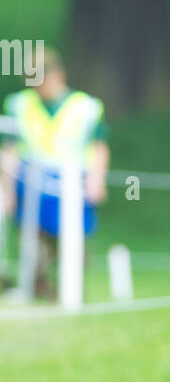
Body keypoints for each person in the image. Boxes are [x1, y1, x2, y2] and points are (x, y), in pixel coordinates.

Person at [1, 48, 109, 299]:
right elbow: (9, 150)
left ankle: (70, 287)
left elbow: (98, 145)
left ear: (58, 75)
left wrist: (97, 180)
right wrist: (6, 189)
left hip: (72, 182)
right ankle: (36, 285)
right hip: (30, 183)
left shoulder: (85, 106)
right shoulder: (20, 104)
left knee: (73, 240)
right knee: (33, 240)